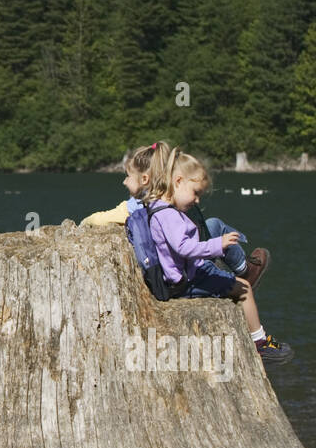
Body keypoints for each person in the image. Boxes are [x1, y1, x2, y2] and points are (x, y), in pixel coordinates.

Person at [144, 147, 292, 365]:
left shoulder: (159, 206)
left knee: (227, 271)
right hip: (185, 282)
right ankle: (260, 344)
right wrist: (217, 245)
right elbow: (185, 248)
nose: (196, 201)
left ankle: (236, 276)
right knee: (244, 289)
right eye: (195, 193)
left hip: (183, 274)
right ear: (177, 181)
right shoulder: (169, 215)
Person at [81, 141, 271, 288]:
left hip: (180, 261)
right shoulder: (169, 196)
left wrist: (83, 223)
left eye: (128, 176)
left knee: (215, 226)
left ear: (144, 179)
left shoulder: (135, 205)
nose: (124, 181)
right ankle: (243, 269)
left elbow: (100, 218)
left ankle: (241, 270)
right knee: (215, 225)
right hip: (185, 259)